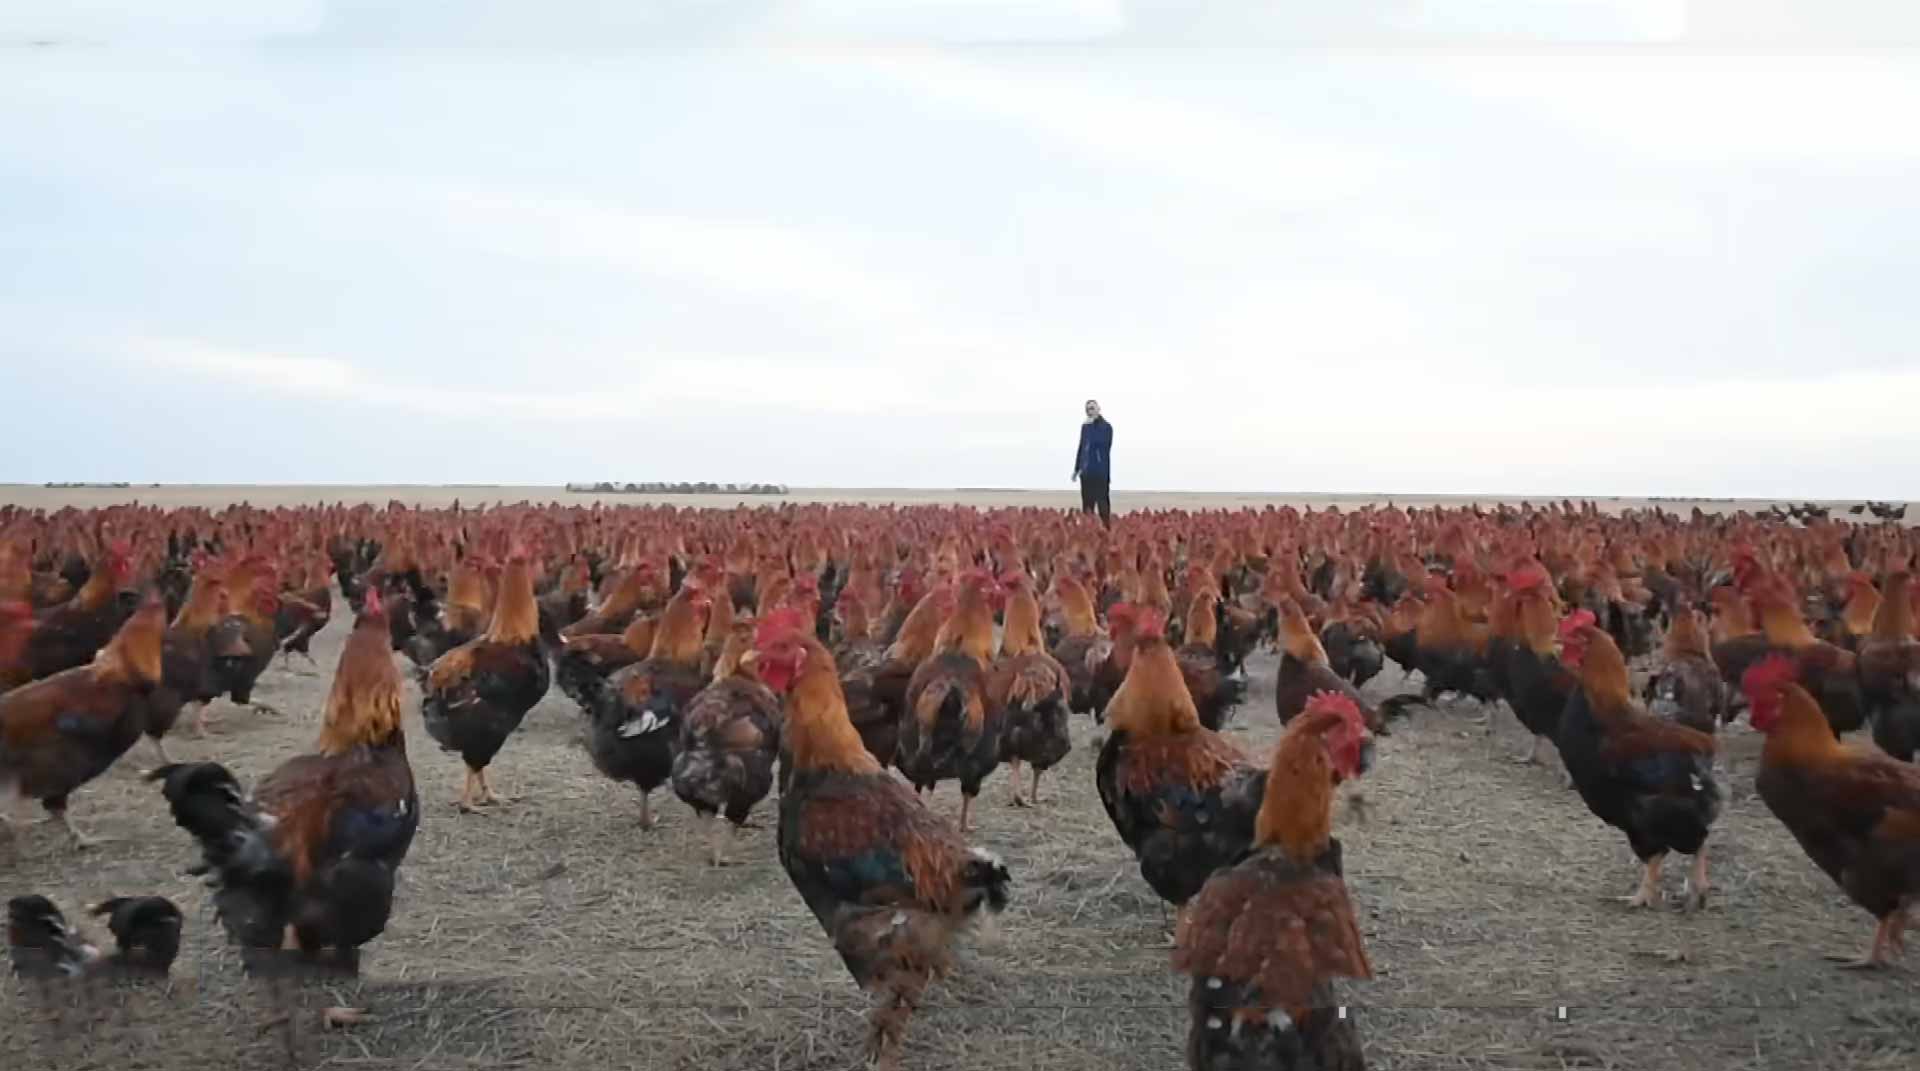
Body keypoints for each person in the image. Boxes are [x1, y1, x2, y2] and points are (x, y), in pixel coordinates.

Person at [1072, 399, 1113, 527]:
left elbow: (1101, 444)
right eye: (1088, 409)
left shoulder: (1106, 427)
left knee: (1102, 504)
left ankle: (1106, 529)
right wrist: (1077, 468)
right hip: (1086, 472)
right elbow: (1082, 447)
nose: (1090, 411)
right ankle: (1088, 530)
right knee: (1087, 505)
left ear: (1098, 409)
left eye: (1092, 408)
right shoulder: (1085, 427)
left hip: (1100, 472)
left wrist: (1092, 426)